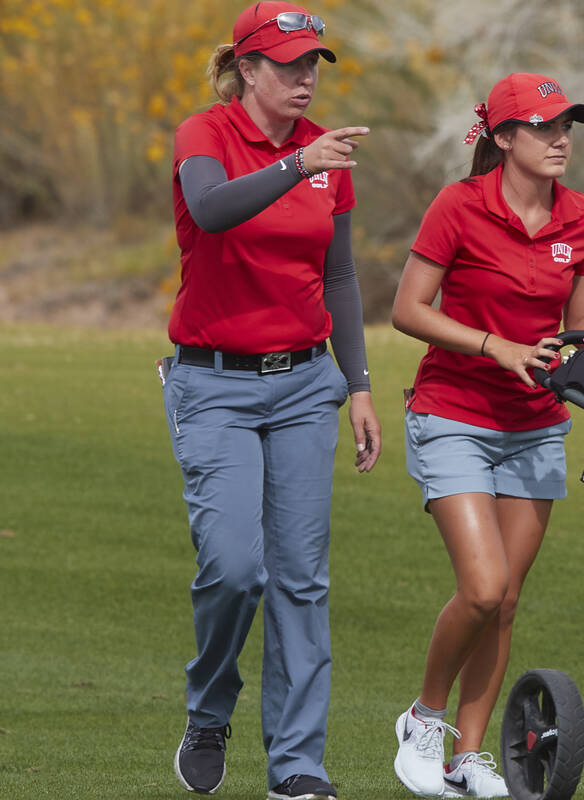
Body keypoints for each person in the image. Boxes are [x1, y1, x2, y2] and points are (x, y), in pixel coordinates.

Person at [390, 72, 584, 798]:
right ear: (503, 138)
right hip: (453, 412)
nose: (561, 139)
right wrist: (493, 345)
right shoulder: (458, 207)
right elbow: (408, 309)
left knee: (505, 602)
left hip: (535, 427)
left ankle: (469, 757)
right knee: (482, 587)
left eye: (568, 126)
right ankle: (424, 720)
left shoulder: (581, 216)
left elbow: (582, 329)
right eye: (543, 127)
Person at [160, 3, 380, 799]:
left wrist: (357, 385)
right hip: (212, 382)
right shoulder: (203, 134)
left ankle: (297, 767)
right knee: (233, 568)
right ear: (247, 70)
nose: (304, 78)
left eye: (313, 64)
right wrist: (297, 164)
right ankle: (210, 706)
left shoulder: (329, 157)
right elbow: (214, 210)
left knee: (300, 579)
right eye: (288, 64)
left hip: (302, 386)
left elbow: (341, 277)